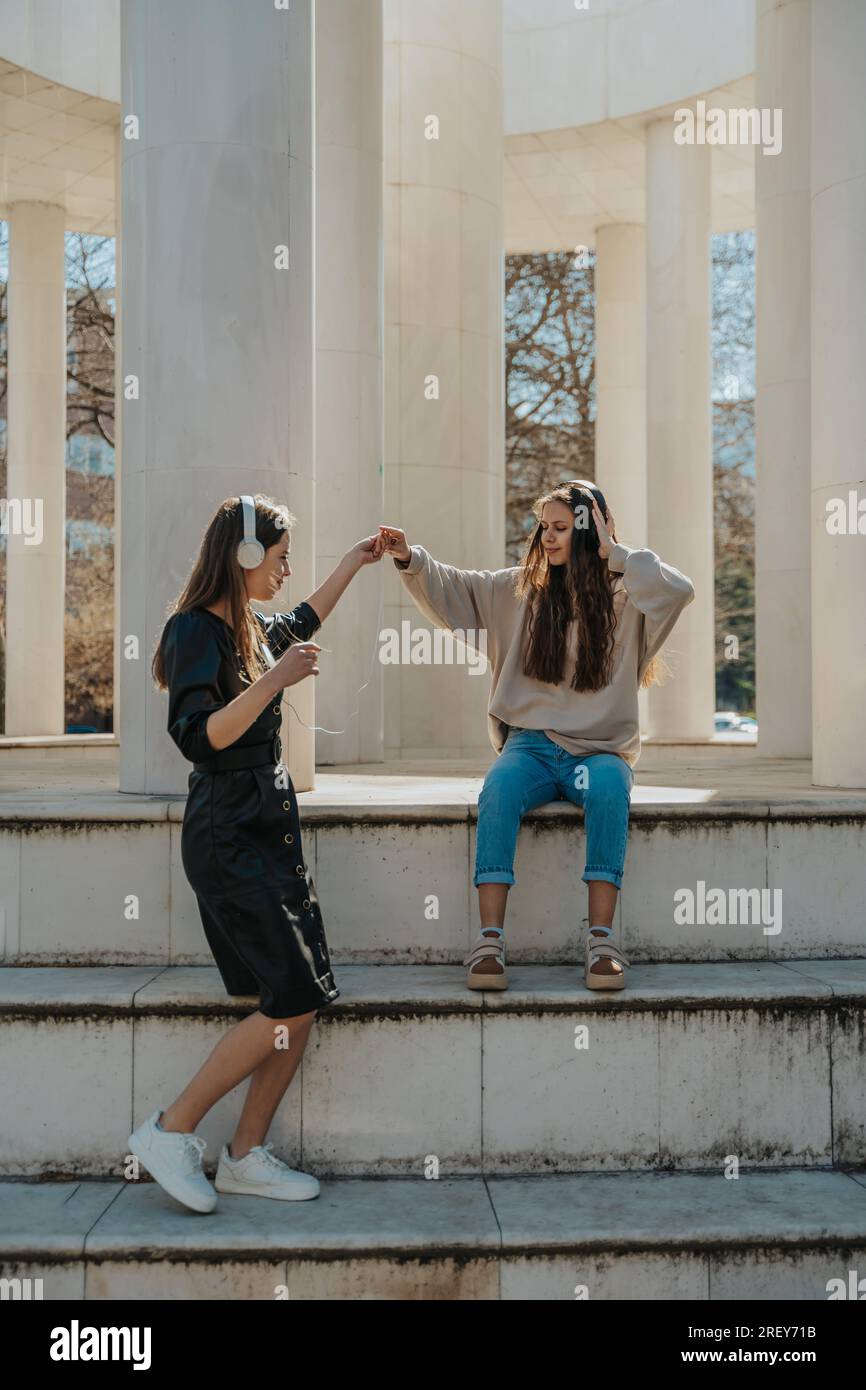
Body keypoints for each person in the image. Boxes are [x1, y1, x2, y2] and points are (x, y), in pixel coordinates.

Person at [128, 494, 384, 1213]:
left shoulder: (251, 628)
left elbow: (302, 620)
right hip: (227, 837)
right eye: (278, 559)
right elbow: (198, 735)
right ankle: (169, 1129)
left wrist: (353, 564)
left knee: (298, 1002)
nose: (284, 571)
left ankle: (244, 1155)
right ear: (243, 556)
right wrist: (276, 680)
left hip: (270, 832)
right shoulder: (194, 632)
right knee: (288, 1002)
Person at [379, 479, 695, 994]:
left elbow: (679, 589)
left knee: (611, 791)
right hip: (529, 745)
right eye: (543, 527)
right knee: (499, 791)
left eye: (563, 528)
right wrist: (409, 556)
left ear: (592, 530)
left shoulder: (629, 594)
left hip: (599, 752)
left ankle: (600, 942)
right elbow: (456, 587)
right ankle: (488, 941)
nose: (547, 538)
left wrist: (615, 552)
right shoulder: (519, 589)